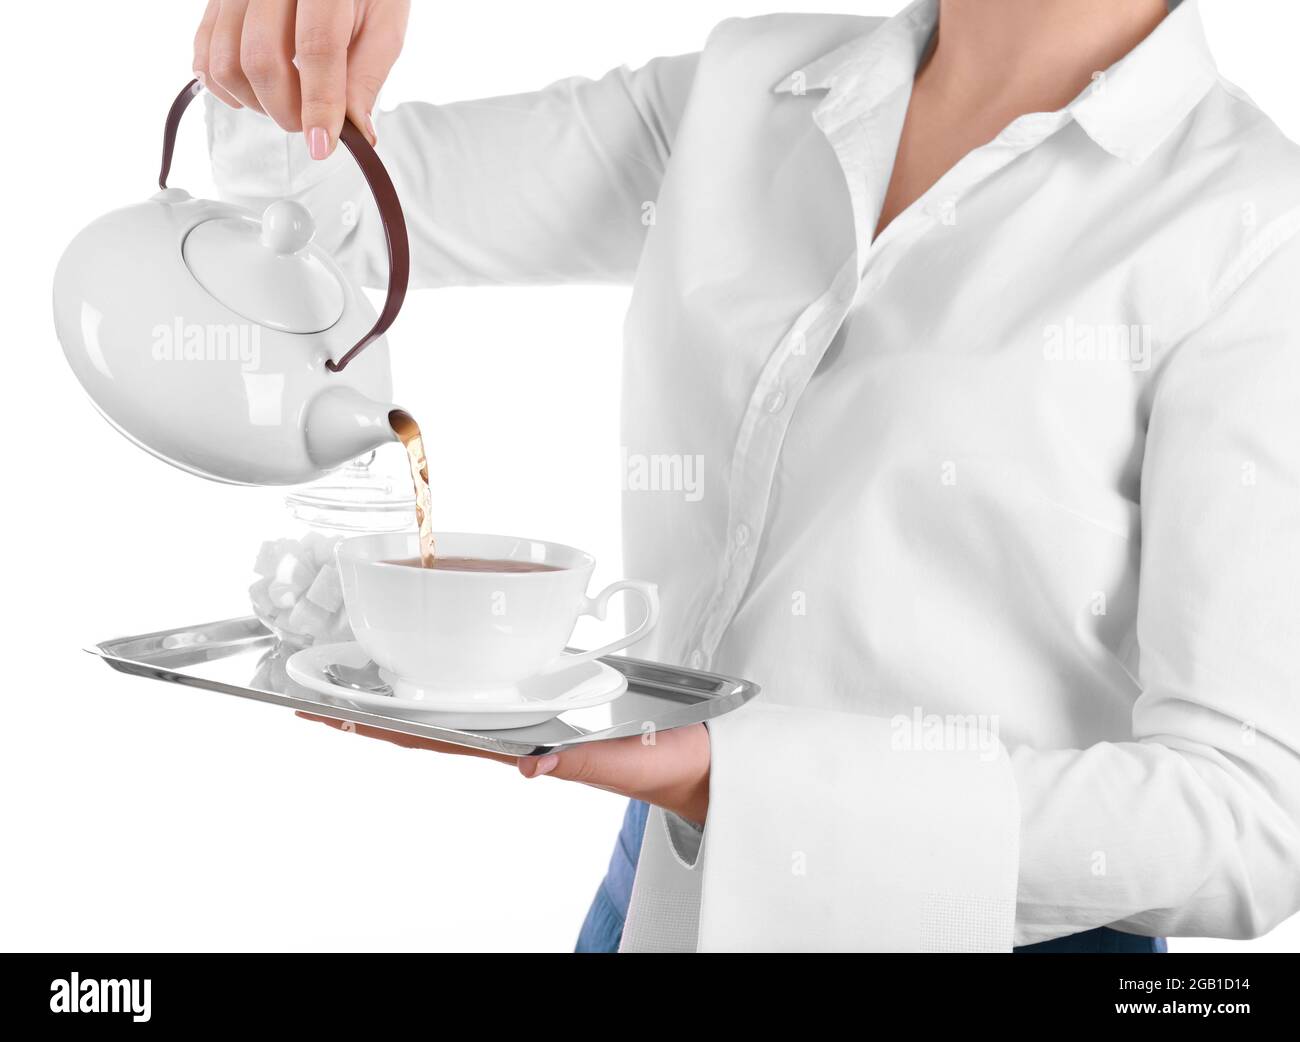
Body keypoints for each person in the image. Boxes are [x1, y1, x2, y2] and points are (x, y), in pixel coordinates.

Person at [196, 0, 1300, 951]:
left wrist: (740, 782)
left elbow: (1250, 821)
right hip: (662, 891)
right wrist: (296, 45)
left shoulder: (1248, 227)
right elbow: (309, 220)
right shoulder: (749, 91)